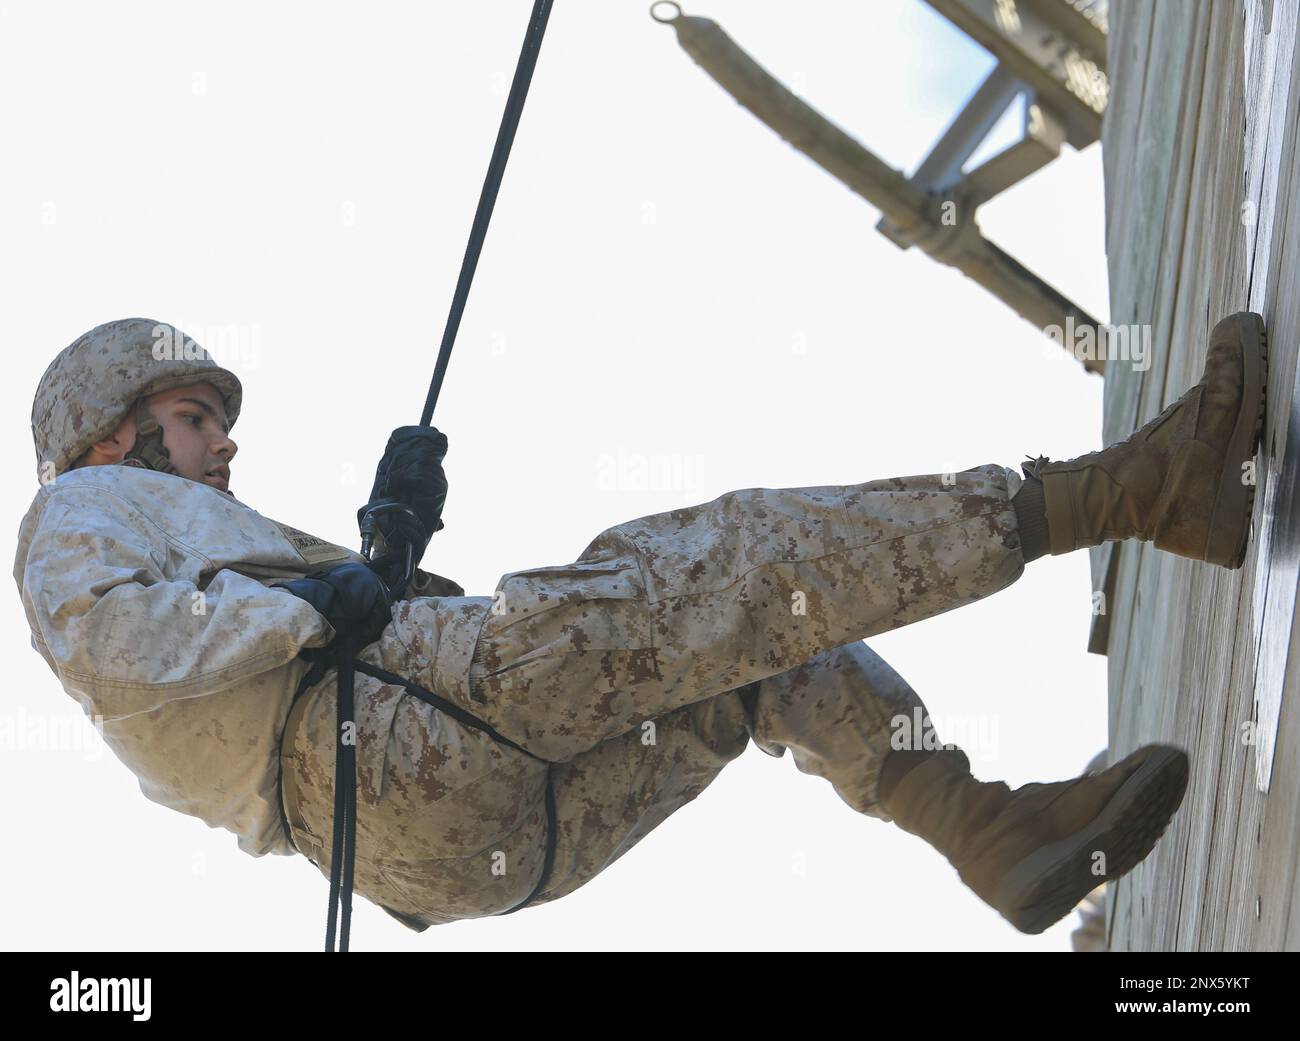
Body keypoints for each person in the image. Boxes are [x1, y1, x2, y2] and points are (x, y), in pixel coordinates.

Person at [15, 311, 1267, 939]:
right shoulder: (74, 509)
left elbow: (282, 634)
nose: (222, 440)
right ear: (112, 436)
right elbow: (116, 641)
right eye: (191, 417)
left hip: (436, 853)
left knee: (751, 653)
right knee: (736, 564)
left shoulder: (185, 544)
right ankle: (1144, 492)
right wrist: (321, 602)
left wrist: (386, 544)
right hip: (403, 736)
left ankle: (986, 830)